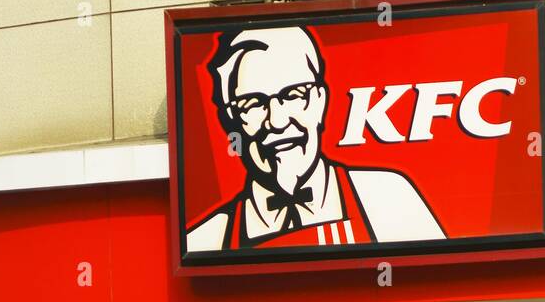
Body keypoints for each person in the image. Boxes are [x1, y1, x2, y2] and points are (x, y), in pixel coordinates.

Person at [187, 25, 445, 252]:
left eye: (294, 95)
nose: (277, 121)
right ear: (231, 119)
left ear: (320, 101)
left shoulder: (386, 196)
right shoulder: (206, 241)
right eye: (253, 104)